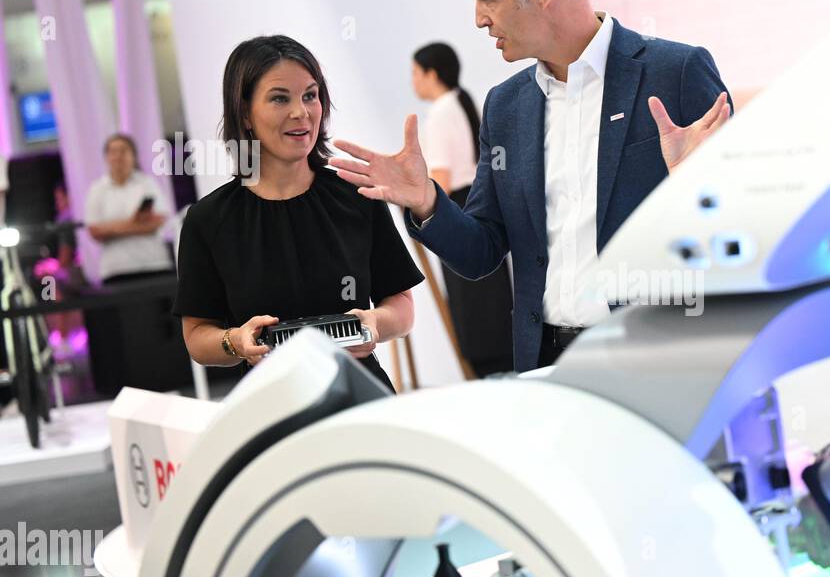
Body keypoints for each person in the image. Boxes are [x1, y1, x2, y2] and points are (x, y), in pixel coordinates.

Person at [332, 0, 731, 371]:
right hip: (548, 363)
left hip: (660, 358)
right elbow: (481, 251)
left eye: (487, 0)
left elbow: (739, 234)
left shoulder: (675, 73)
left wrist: (694, 189)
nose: (479, 20)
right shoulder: (506, 106)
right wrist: (427, 203)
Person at [173, 35, 424, 393]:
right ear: (245, 113)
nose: (301, 112)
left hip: (361, 396)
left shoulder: (357, 195)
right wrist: (236, 342)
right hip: (270, 408)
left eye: (310, 95)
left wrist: (375, 324)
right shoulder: (209, 220)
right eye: (280, 98)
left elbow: (401, 306)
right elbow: (197, 337)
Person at [411, 41, 513, 375]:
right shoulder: (460, 104)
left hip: (455, 206)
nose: (412, 82)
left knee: (473, 304)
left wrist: (416, 196)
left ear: (432, 74)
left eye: (415, 73)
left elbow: (438, 177)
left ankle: (488, 372)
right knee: (492, 299)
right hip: (477, 202)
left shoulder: (440, 113)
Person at [84, 133, 173, 284]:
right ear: (106, 157)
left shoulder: (147, 183)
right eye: (113, 152)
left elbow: (158, 221)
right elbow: (95, 231)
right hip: (116, 270)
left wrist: (111, 228)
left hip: (154, 264)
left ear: (134, 155)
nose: (118, 156)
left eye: (123, 151)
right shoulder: (97, 189)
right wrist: (136, 223)